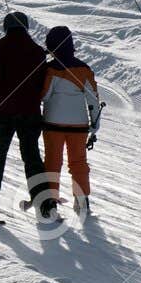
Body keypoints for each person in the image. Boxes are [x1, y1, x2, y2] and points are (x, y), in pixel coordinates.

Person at [0, 11, 48, 219]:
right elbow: (43, 84)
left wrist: (1, 92)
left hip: (4, 112)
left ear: (6, 28)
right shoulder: (37, 52)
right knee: (32, 157)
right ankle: (46, 207)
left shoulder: (0, 50)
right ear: (26, 27)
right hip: (30, 113)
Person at [41, 26, 102, 218]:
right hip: (79, 125)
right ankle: (82, 200)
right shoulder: (84, 69)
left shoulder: (50, 68)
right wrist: (95, 124)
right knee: (78, 162)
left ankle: (51, 202)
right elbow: (93, 99)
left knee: (53, 162)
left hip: (53, 123)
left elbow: (45, 95)